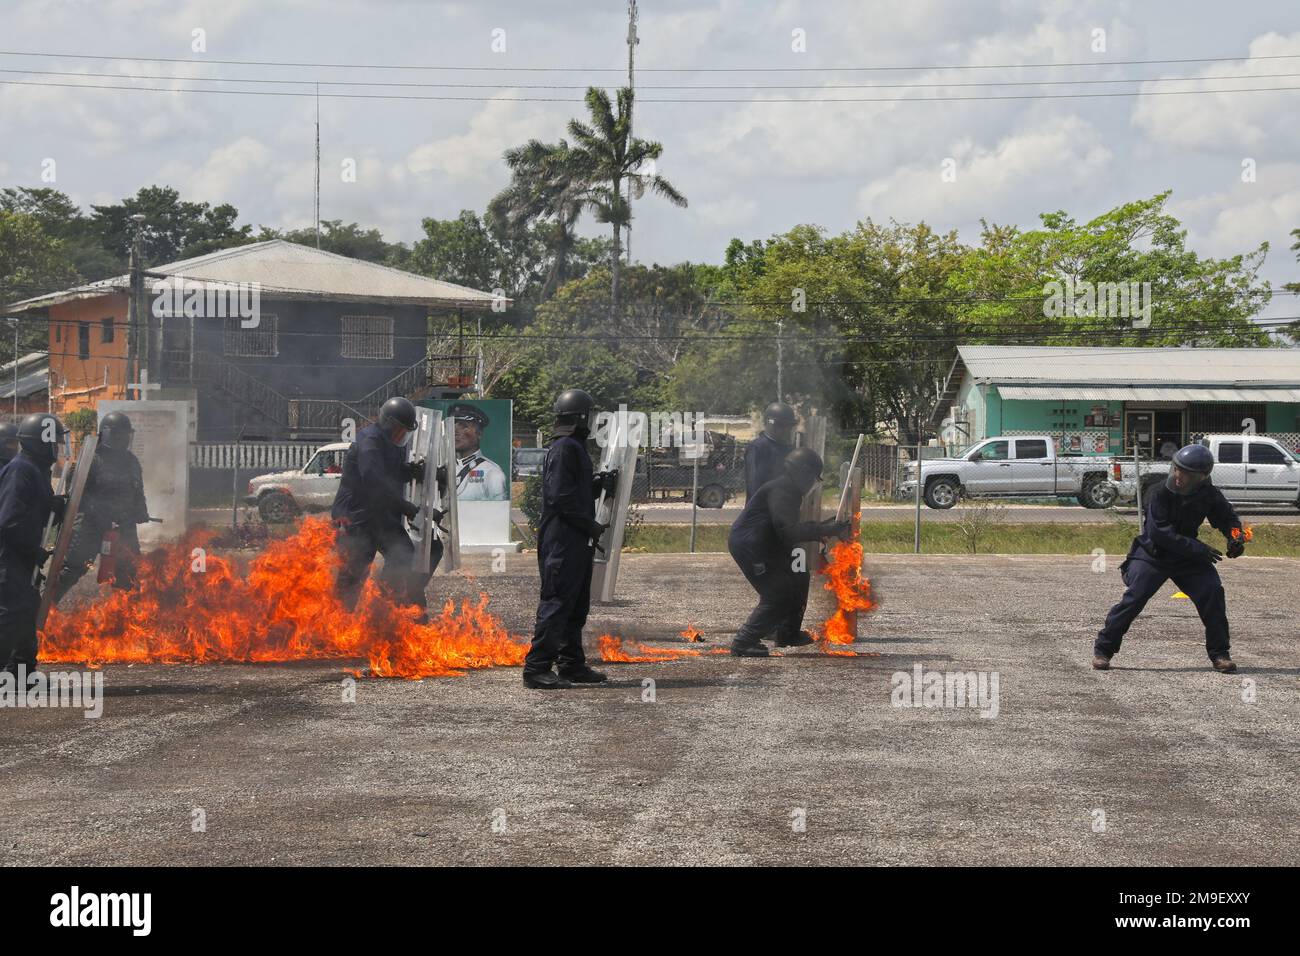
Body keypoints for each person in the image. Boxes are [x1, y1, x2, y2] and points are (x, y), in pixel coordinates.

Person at [1094, 443, 1244, 673]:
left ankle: (1220, 654)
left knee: (1213, 592)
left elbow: (1229, 520)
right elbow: (1159, 533)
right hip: (1154, 554)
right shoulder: (1159, 492)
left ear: (1202, 477)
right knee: (1135, 597)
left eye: (1185, 472)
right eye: (1177, 468)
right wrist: (1200, 549)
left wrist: (1236, 538)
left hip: (1188, 558)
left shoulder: (1209, 494)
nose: (1178, 475)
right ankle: (1103, 650)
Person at [523, 388, 618, 689]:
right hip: (563, 538)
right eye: (588, 415)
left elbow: (572, 492)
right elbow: (560, 497)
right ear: (580, 417)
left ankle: (571, 665)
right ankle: (536, 668)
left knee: (575, 604)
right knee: (557, 602)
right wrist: (588, 524)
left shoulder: (572, 447)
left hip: (573, 538)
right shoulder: (565, 447)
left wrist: (596, 485)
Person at [728, 448, 849, 657]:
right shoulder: (784, 490)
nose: (813, 483)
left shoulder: (788, 489)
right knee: (777, 593)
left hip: (766, 543)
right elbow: (787, 531)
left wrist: (821, 528)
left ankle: (787, 633)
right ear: (802, 472)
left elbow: (786, 528)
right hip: (752, 546)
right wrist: (826, 529)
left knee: (799, 575)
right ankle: (744, 642)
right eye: (812, 478)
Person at [331, 396, 441, 612]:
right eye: (400, 430)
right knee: (354, 573)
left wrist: (412, 471)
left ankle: (384, 606)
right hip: (355, 517)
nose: (402, 436)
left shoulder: (392, 443)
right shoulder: (369, 442)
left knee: (403, 554)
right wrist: (405, 507)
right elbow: (375, 483)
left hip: (379, 514)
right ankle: (335, 626)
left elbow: (392, 472)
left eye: (406, 432)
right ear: (388, 422)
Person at [54, 411, 150, 602]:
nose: (124, 439)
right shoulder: (92, 459)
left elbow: (137, 490)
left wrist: (141, 510)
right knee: (71, 570)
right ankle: (42, 610)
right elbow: (77, 496)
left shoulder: (131, 462)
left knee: (129, 572)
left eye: (126, 434)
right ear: (108, 433)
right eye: (119, 434)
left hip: (124, 525)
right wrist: (100, 511)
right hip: (90, 525)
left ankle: (125, 620)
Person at [0, 413, 66, 681]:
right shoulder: (21, 469)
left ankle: (19, 674)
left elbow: (34, 511)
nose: (57, 447)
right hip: (9, 557)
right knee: (10, 616)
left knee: (27, 610)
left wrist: (54, 507)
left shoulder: (35, 471)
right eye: (53, 441)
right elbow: (10, 521)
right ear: (41, 441)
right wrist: (32, 550)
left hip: (20, 558)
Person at [447, 402, 508, 500]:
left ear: (479, 434)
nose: (455, 431)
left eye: (464, 426)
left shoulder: (491, 472)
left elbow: (499, 510)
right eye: (452, 425)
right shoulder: (443, 467)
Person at [744, 402, 797, 499]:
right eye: (783, 426)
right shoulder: (758, 447)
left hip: (783, 509)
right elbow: (755, 487)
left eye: (789, 427)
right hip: (761, 510)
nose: (786, 430)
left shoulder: (788, 449)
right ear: (771, 424)